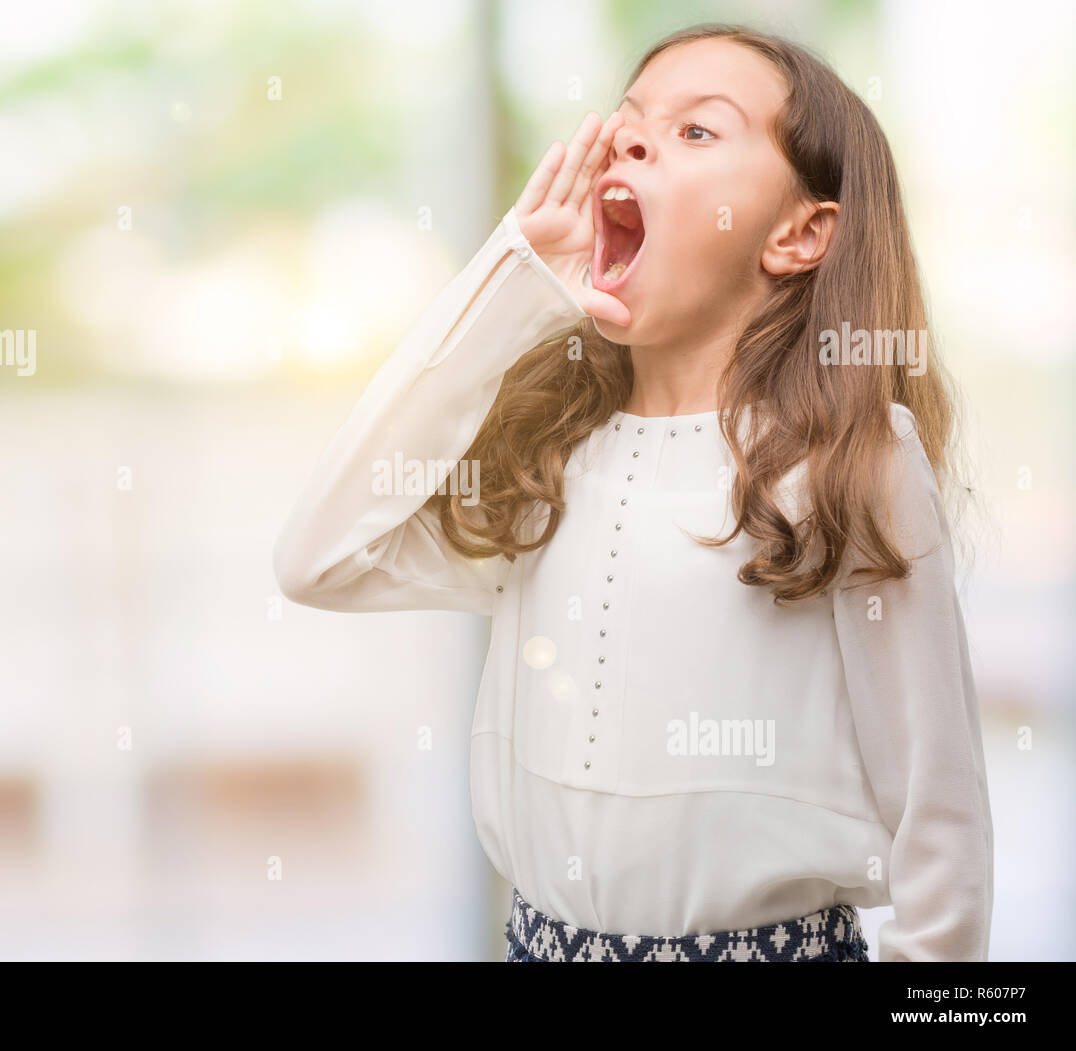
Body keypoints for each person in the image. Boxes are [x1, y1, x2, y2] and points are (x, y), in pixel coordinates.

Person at [272, 22, 993, 962]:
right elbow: (315, 559)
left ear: (800, 231)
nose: (634, 139)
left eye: (699, 131)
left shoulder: (852, 459)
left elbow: (941, 827)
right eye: (633, 120)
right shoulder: (547, 457)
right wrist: (513, 284)